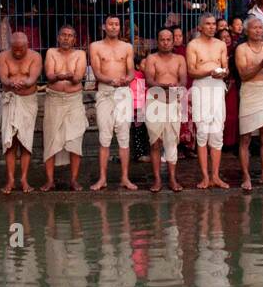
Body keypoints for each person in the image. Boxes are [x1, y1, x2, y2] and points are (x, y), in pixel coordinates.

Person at [89, 15, 137, 191]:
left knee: (124, 136)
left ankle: (125, 178)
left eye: (116, 24)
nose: (114, 27)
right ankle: (102, 178)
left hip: (123, 92)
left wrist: (127, 79)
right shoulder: (95, 46)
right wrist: (110, 81)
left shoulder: (127, 47)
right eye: (110, 24)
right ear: (104, 26)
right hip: (105, 92)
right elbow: (97, 72)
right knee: (104, 136)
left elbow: (131, 71)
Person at [42, 25, 88, 192]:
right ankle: (50, 181)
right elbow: (49, 75)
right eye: (63, 35)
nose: (66, 38)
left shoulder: (80, 54)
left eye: (70, 35)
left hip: (73, 100)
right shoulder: (51, 52)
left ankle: (73, 180)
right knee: (50, 139)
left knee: (75, 140)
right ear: (58, 37)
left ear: (74, 39)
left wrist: (67, 76)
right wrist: (60, 76)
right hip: (54, 100)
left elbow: (78, 78)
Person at [234, 16, 263, 191]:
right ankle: (246, 176)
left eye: (261, 27)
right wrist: (260, 65)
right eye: (255, 28)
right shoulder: (241, 49)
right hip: (249, 92)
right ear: (247, 31)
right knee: (245, 138)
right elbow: (243, 75)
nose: (259, 30)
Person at [187, 14, 230, 190]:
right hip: (201, 88)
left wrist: (223, 73)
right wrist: (209, 72)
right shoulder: (193, 45)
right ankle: (205, 177)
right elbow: (191, 71)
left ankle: (216, 176)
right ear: (200, 27)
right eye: (208, 24)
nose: (212, 27)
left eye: (213, 24)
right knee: (203, 133)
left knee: (217, 133)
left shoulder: (221, 45)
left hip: (217, 87)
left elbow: (226, 68)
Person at [143, 28, 188, 193]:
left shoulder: (180, 59)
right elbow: (149, 80)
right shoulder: (151, 58)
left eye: (169, 39)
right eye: (162, 39)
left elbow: (183, 80)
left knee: (171, 142)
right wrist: (163, 86)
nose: (166, 42)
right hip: (155, 102)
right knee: (155, 142)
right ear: (158, 41)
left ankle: (172, 178)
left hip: (173, 101)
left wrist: (176, 86)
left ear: (173, 41)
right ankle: (157, 180)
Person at [0, 32, 42, 194]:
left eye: (20, 49)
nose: (17, 52)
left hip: (28, 100)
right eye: (14, 49)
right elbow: (3, 78)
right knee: (10, 141)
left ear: (27, 45)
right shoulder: (2, 56)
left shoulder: (35, 57)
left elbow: (33, 78)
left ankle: (23, 179)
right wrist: (10, 82)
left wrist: (24, 82)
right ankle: (10, 179)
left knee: (25, 141)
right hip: (10, 100)